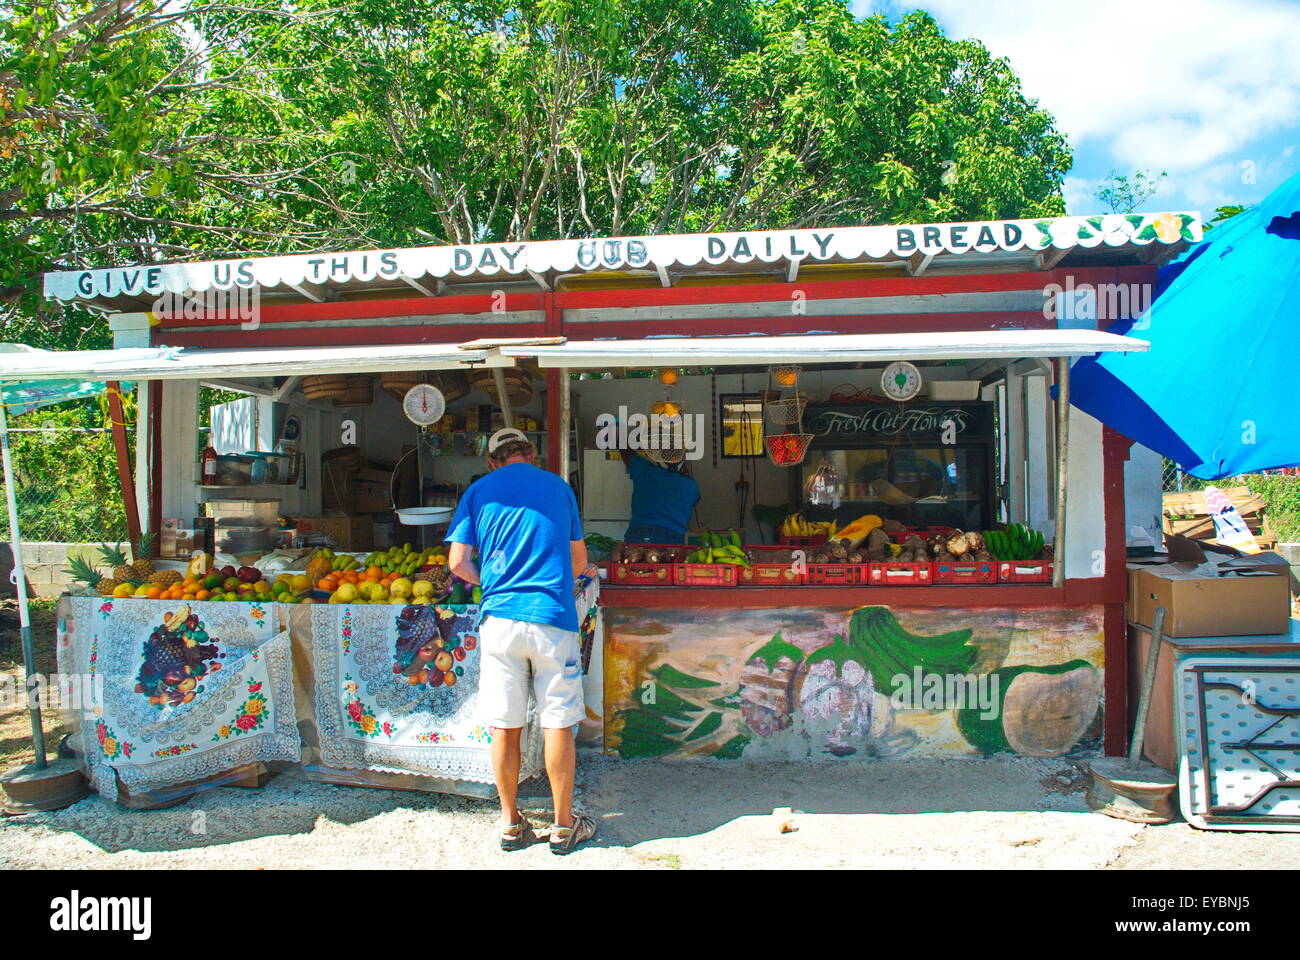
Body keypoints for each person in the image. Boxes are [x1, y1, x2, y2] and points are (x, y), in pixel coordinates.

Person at [446, 427, 598, 854]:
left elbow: (457, 562)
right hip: (552, 618)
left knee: (505, 725)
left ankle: (511, 824)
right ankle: (564, 827)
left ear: (492, 460)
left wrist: (491, 583)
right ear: (532, 454)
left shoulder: (478, 491)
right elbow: (580, 561)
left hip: (500, 622)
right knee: (558, 721)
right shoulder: (559, 487)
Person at [622, 450, 701, 544]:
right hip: (672, 538)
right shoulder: (690, 485)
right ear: (682, 462)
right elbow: (696, 499)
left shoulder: (643, 469)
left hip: (638, 534)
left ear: (659, 458)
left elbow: (625, 452)